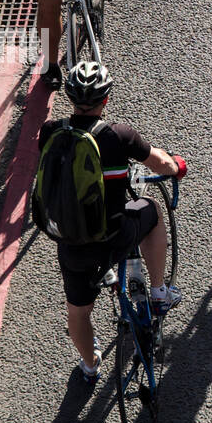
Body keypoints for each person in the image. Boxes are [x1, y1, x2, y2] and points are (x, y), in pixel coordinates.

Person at [39, 61, 185, 383]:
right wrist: (175, 167)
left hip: (72, 243)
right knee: (152, 210)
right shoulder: (118, 135)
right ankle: (159, 291)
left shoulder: (50, 132)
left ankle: (90, 365)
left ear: (70, 98)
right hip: (115, 234)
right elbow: (159, 163)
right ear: (105, 99)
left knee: (78, 312)